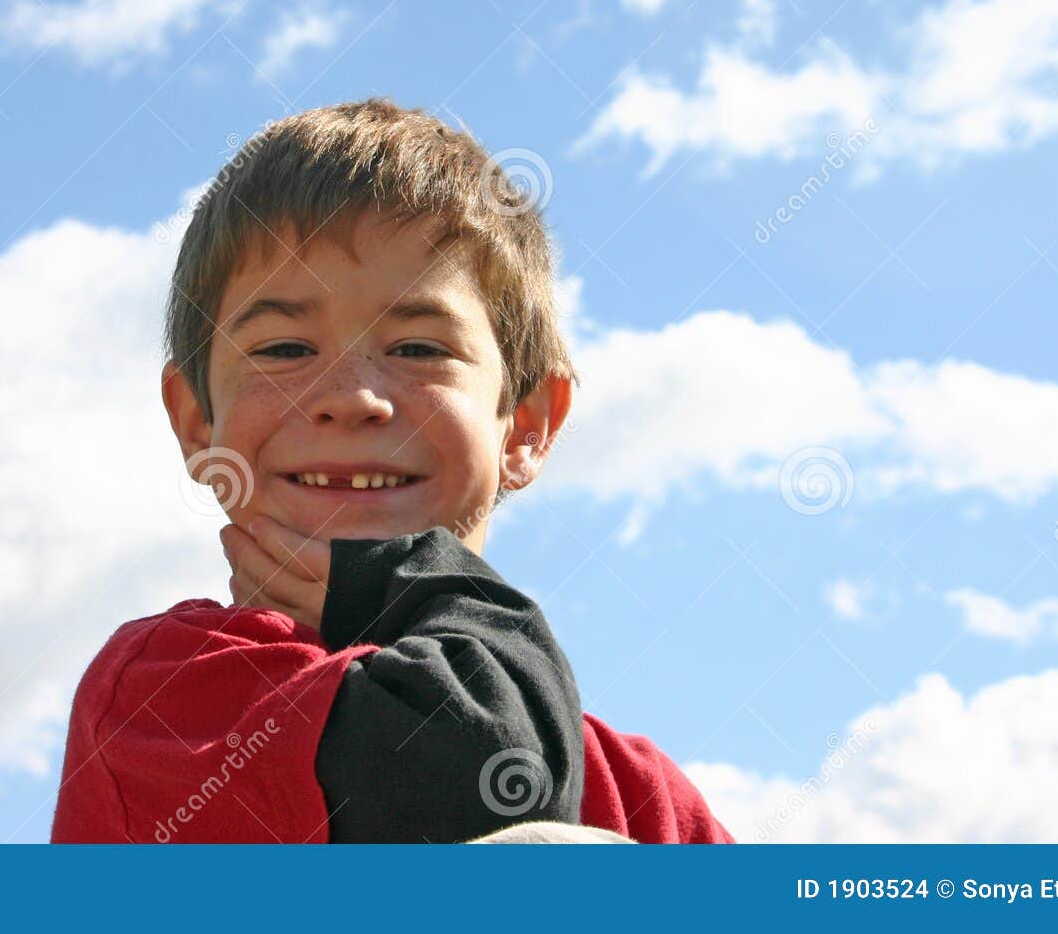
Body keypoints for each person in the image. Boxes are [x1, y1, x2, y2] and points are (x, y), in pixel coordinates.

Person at [50, 97, 734, 844]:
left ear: (528, 423)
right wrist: (409, 580)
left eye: (417, 348)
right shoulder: (163, 696)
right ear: (195, 422)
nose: (350, 399)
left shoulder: (653, 799)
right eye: (282, 349)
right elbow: (478, 781)